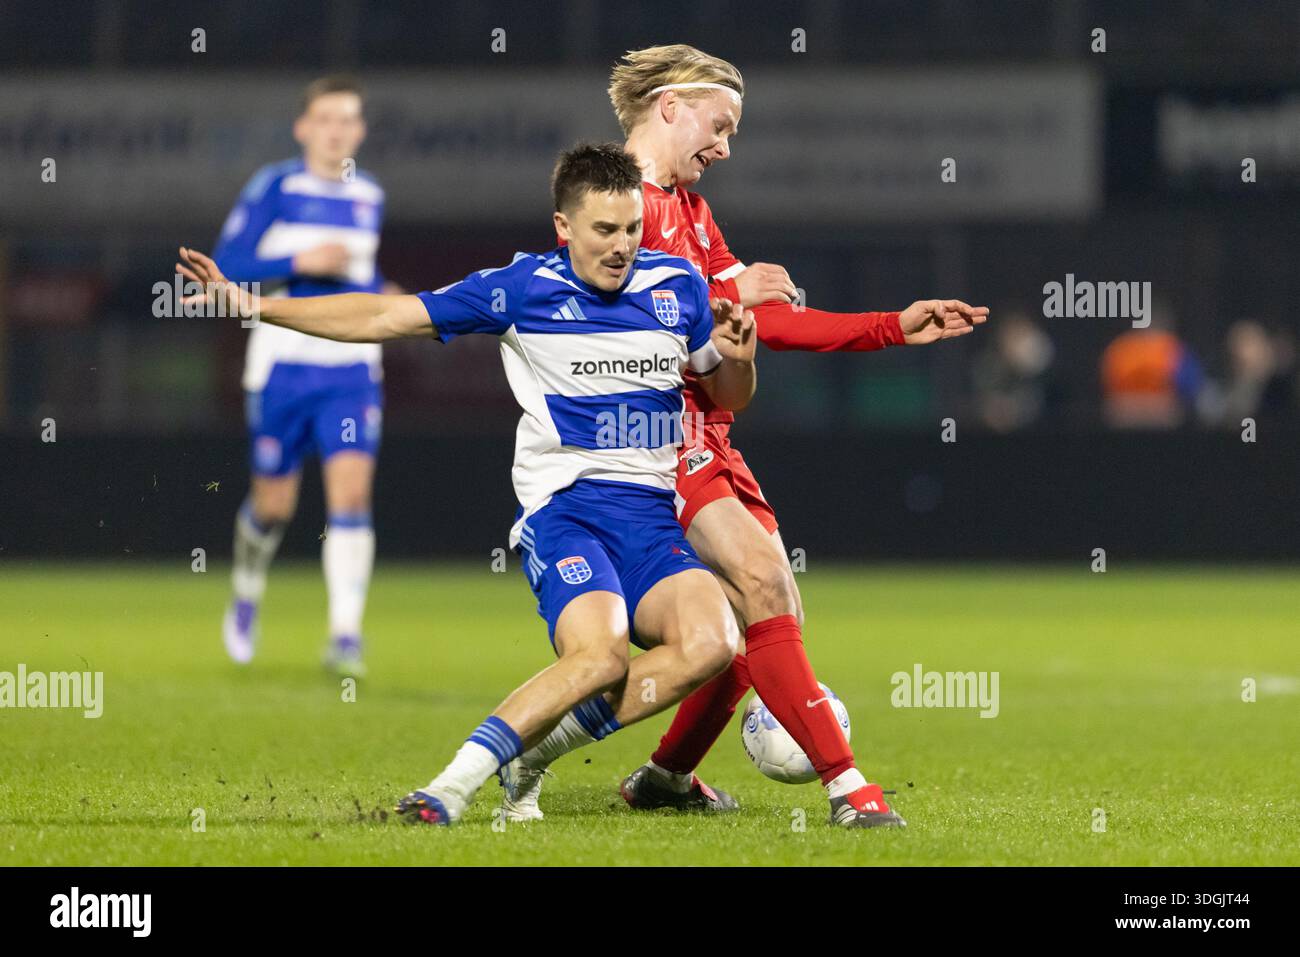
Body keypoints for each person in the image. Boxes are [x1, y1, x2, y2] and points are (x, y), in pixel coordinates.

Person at [176, 142, 759, 826]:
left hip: (652, 523)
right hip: (568, 514)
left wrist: (742, 360)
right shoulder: (520, 288)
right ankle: (449, 786)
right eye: (604, 230)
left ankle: (533, 755)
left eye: (631, 228)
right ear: (564, 226)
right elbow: (383, 318)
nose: (622, 245)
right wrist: (254, 305)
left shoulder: (679, 286)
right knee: (599, 655)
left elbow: (729, 396)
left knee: (715, 641)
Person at [502, 45, 987, 829]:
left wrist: (891, 326)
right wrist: (726, 286)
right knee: (764, 580)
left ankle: (660, 774)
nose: (725, 147)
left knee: (747, 623)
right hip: (653, 440)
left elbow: (757, 323)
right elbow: (617, 305)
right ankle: (851, 790)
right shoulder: (619, 202)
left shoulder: (692, 211)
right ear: (670, 107)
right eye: (719, 126)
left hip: (708, 432)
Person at [213, 75, 392, 677]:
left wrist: (385, 296)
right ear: (304, 127)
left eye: (349, 119)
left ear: (360, 130)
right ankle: (246, 589)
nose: (338, 130)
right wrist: (298, 262)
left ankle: (345, 635)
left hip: (351, 367)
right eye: (327, 119)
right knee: (274, 505)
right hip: (282, 366)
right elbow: (228, 264)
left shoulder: (368, 193)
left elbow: (357, 278)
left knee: (350, 495)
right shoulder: (276, 187)